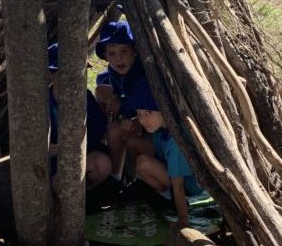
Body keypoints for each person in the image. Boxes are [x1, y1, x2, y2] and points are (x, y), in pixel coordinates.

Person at [127, 81, 204, 228]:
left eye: (148, 112)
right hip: (169, 166)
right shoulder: (161, 127)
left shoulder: (176, 143)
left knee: (144, 163)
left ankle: (168, 199)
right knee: (133, 142)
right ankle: (157, 189)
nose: (142, 120)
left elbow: (179, 185)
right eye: (139, 113)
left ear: (165, 110)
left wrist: (183, 221)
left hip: (189, 186)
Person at [94, 20, 155, 181]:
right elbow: (119, 93)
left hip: (152, 123)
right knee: (114, 130)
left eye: (124, 51)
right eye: (111, 53)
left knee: (120, 132)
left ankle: (138, 179)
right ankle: (115, 179)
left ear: (134, 51)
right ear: (105, 56)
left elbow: (142, 100)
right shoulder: (113, 72)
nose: (118, 58)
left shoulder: (142, 71)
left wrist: (122, 108)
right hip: (134, 117)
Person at [46, 44, 112, 190]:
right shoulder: (43, 102)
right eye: (62, 74)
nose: (70, 80)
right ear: (51, 74)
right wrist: (45, 146)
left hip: (84, 152)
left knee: (102, 164)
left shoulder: (85, 96)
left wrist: (79, 142)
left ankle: (86, 196)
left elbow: (100, 124)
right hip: (54, 160)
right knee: (58, 183)